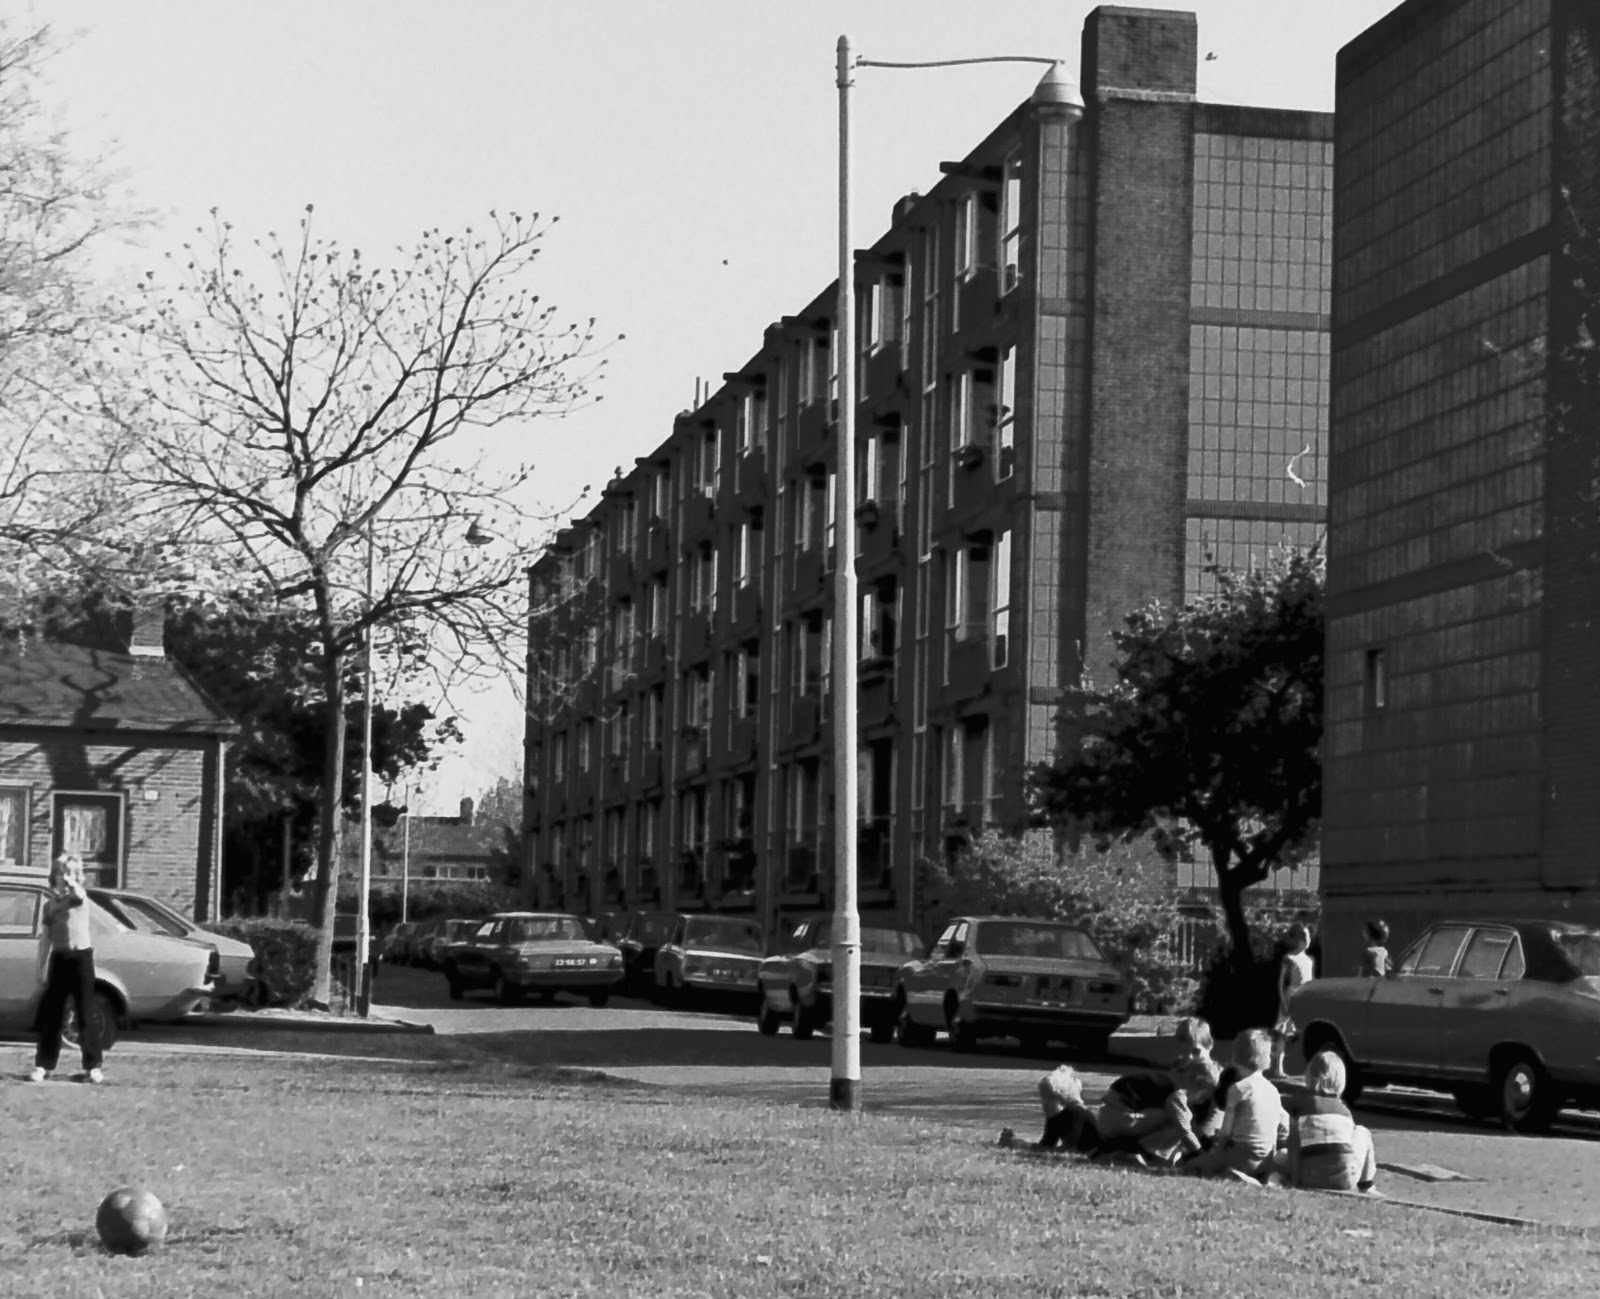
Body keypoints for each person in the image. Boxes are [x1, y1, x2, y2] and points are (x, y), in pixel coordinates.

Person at [31, 853, 105, 1084]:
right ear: (54, 875)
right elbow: (45, 939)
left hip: (81, 959)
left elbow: (80, 895)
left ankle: (92, 1067)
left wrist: (72, 882)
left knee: (85, 1013)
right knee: (53, 1014)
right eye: (61, 872)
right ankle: (43, 1065)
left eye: (70, 872)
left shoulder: (78, 898)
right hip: (59, 959)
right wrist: (41, 967)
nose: (64, 877)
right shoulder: (49, 905)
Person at [1183, 1029, 1287, 1181]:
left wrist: (1215, 1154)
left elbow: (1225, 1133)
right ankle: (1258, 1178)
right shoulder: (1273, 1090)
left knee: (1191, 1166)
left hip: (1241, 1157)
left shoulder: (1238, 1089)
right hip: (1266, 1161)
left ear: (1235, 1056)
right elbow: (1278, 1128)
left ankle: (1232, 1172)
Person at [1093, 1055, 1225, 1167]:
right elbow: (1184, 1130)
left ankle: (1125, 1148)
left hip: (1109, 1115)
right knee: (1175, 1123)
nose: (1200, 1101)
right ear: (1197, 1084)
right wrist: (1199, 1152)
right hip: (1117, 1119)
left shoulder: (1165, 1080)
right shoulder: (1176, 1094)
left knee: (1173, 1120)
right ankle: (1140, 1152)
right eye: (1202, 1096)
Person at [1278, 1051, 1378, 1193]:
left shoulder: (1302, 1106)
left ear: (1309, 1076)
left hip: (1310, 1176)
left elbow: (1294, 1144)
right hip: (1345, 1179)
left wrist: (1296, 1179)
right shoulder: (1344, 1111)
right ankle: (1367, 1185)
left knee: (1281, 1155)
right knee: (1362, 1132)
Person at [999, 1064, 1101, 1154]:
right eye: (1042, 1098)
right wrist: (1014, 1142)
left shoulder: (1076, 1115)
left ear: (1064, 1099)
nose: (1044, 1103)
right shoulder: (1055, 1116)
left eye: (1049, 1099)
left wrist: (1022, 1145)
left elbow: (1071, 1150)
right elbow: (1046, 1145)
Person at [1270, 924, 1315, 1079]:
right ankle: (1277, 1067)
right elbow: (1281, 982)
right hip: (1292, 995)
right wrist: (1283, 1001)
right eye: (1304, 936)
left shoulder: (1309, 960)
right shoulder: (1289, 958)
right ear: (1298, 939)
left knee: (1305, 1031)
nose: (1307, 940)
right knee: (1283, 1032)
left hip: (1306, 995)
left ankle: (1309, 1067)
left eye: (1308, 936)